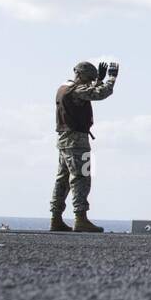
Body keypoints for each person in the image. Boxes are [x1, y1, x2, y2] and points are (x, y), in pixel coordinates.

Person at [51, 60, 118, 232]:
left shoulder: (64, 88)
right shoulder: (77, 89)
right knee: (82, 178)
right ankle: (81, 218)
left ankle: (55, 218)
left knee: (63, 180)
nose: (90, 82)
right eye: (89, 78)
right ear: (80, 75)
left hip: (64, 141)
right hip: (77, 142)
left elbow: (88, 91)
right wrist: (110, 78)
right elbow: (101, 93)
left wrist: (98, 80)